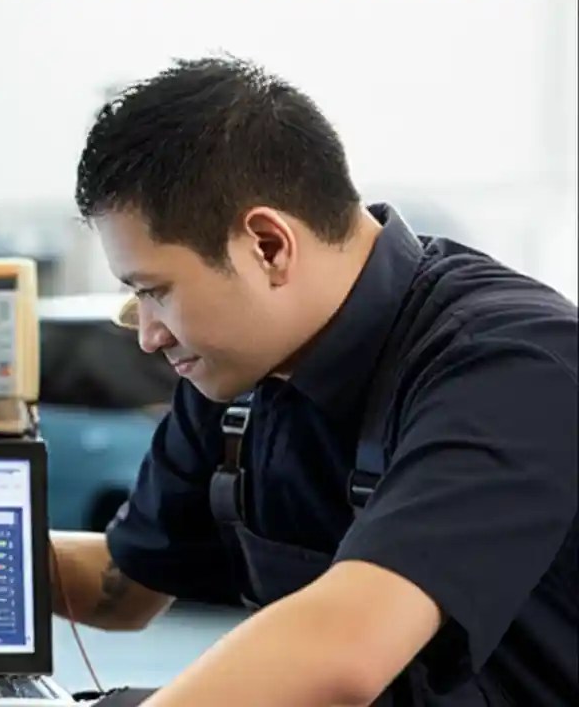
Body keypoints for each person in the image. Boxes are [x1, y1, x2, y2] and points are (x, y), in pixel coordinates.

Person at [48, 56, 577, 706]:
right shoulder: (237, 370)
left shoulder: (510, 366)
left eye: (155, 292)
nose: (149, 333)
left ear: (268, 246)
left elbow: (342, 654)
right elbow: (127, 588)